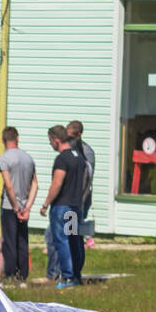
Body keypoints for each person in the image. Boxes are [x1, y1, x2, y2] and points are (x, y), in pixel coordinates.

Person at [39, 125, 87, 290]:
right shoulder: (79, 157)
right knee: (74, 240)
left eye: (50, 141)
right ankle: (76, 276)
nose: (50, 144)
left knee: (62, 241)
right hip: (75, 206)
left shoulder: (62, 159)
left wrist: (45, 204)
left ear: (56, 140)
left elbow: (57, 183)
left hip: (61, 207)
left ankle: (67, 277)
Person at [0, 127, 38, 285]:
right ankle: (23, 276)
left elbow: (8, 184)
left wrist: (15, 206)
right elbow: (35, 184)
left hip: (10, 205)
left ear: (3, 140)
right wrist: (27, 206)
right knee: (22, 240)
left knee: (9, 241)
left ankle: (9, 275)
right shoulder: (28, 158)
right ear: (17, 138)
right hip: (24, 205)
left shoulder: (4, 158)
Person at [66, 119, 95, 277]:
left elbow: (86, 178)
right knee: (71, 234)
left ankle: (75, 270)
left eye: (71, 137)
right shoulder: (71, 150)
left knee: (74, 235)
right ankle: (72, 269)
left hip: (78, 201)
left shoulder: (86, 152)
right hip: (71, 200)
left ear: (79, 135)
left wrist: (78, 201)